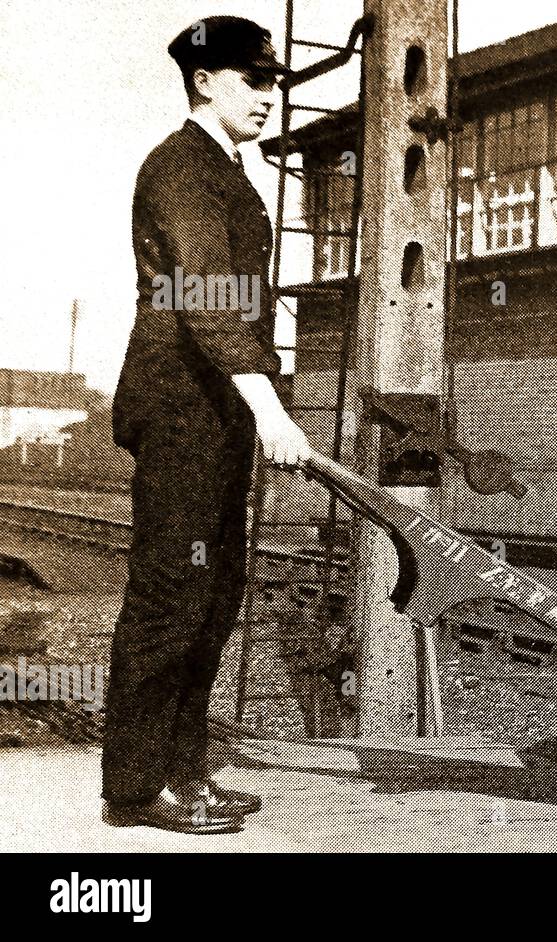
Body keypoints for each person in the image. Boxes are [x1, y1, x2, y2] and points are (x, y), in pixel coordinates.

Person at [102, 16, 311, 834]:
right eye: (254, 82)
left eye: (275, 84)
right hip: (184, 409)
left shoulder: (226, 171)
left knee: (213, 595)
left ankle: (186, 775)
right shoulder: (181, 169)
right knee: (170, 599)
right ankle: (135, 789)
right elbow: (211, 296)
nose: (270, 99)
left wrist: (254, 404)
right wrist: (270, 408)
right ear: (204, 81)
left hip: (216, 408)